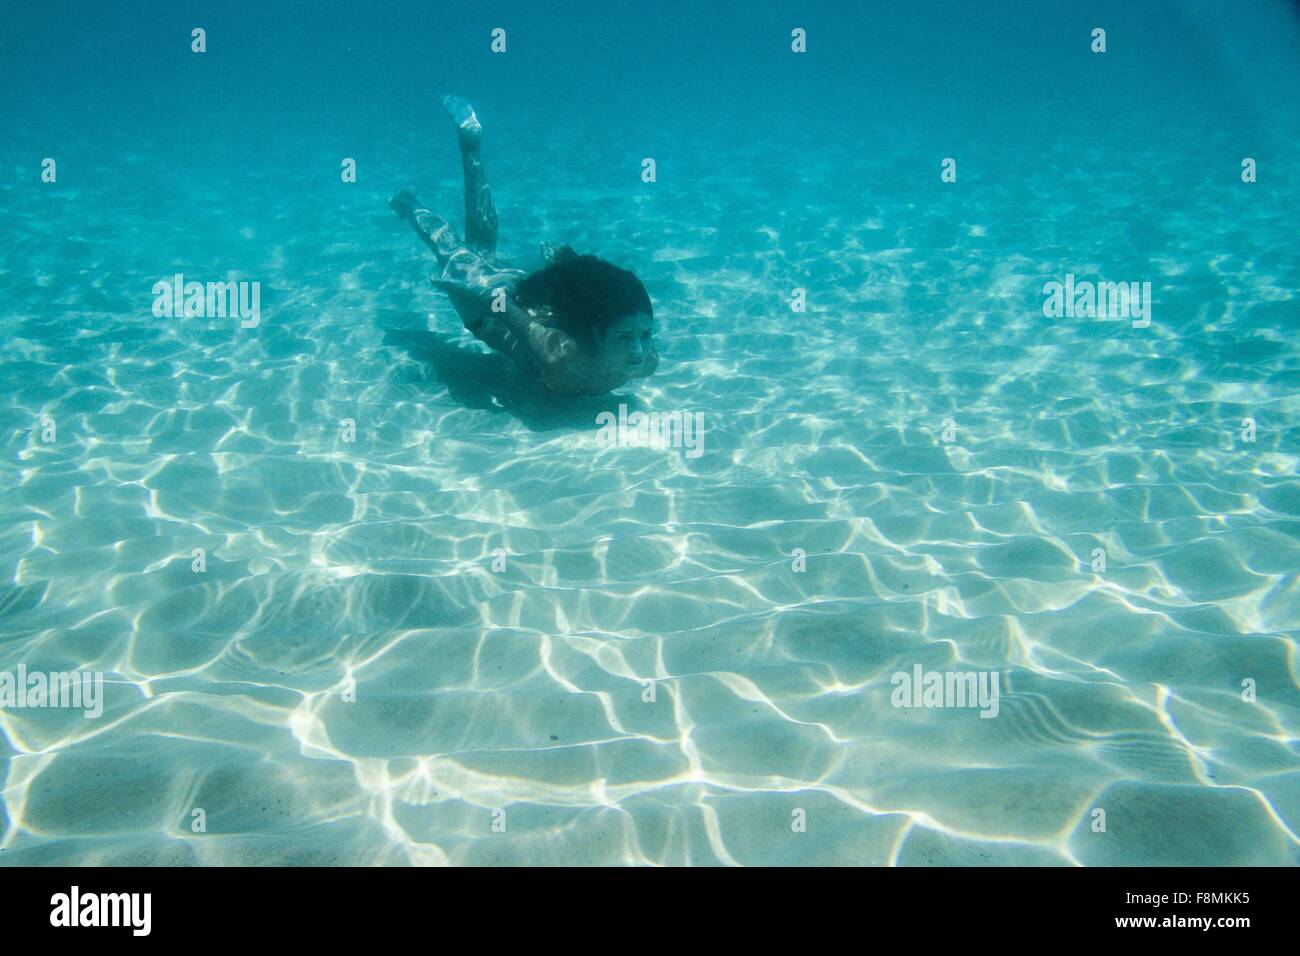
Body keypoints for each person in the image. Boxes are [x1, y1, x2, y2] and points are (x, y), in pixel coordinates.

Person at [390, 96, 659, 397]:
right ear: (596, 334)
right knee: (456, 251)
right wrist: (460, 284)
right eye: (624, 338)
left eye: (646, 335)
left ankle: (457, 158)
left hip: (522, 296)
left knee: (480, 248)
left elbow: (606, 293)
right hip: (490, 311)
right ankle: (415, 200)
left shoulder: (648, 359)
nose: (639, 350)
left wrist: (568, 266)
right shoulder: (559, 355)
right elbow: (502, 307)